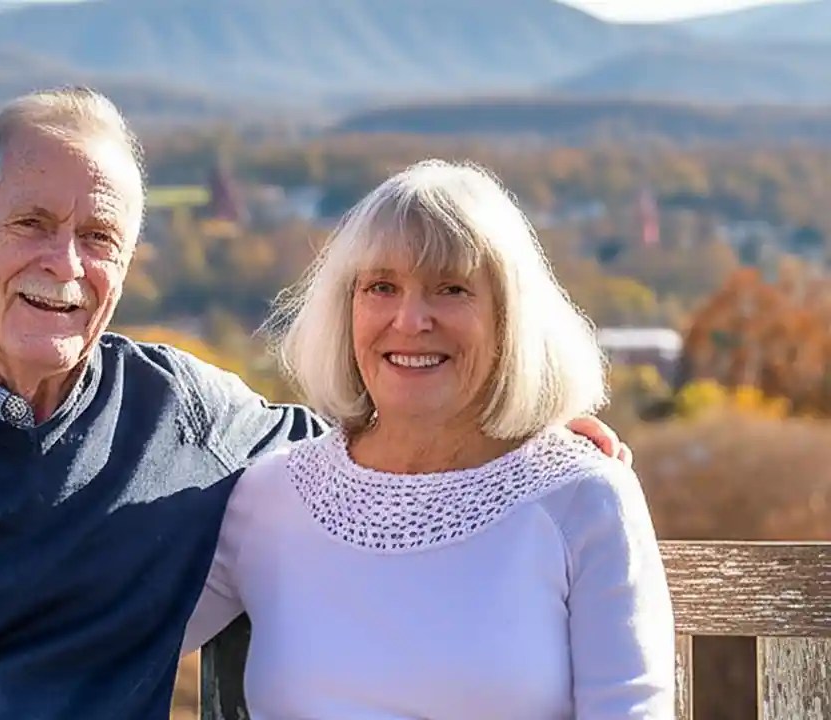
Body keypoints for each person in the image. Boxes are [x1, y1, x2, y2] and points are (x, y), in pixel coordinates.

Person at [0, 88, 630, 719]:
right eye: (32, 225)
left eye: (101, 237)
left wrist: (520, 435)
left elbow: (374, 436)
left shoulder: (185, 419)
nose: (67, 266)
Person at [182, 160, 675, 719]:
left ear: (508, 321)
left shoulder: (583, 499)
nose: (410, 319)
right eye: (382, 287)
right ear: (347, 311)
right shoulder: (268, 499)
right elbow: (108, 636)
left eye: (451, 289)